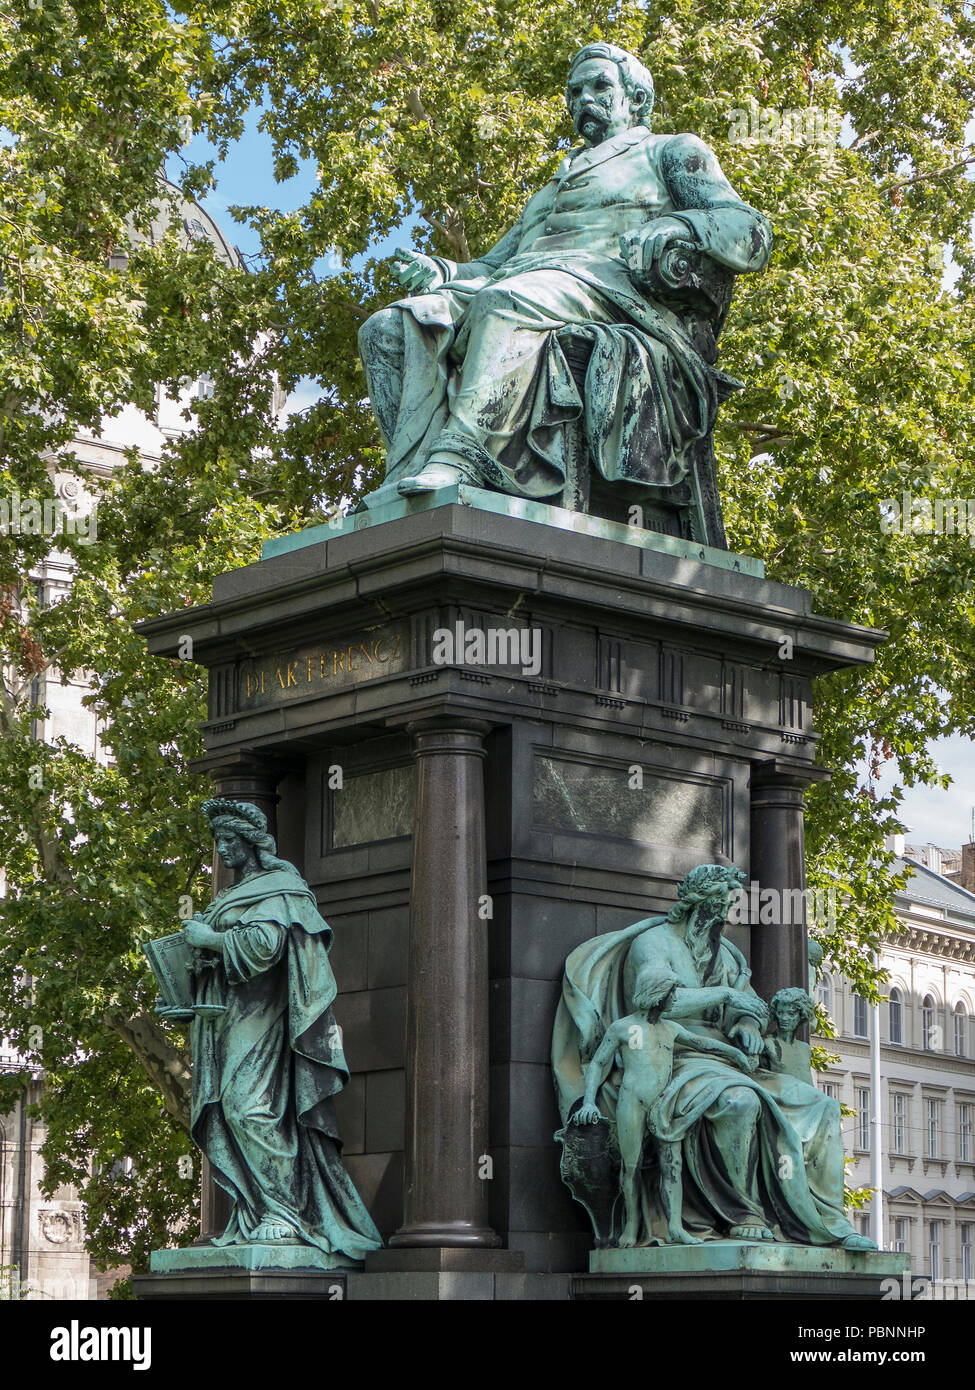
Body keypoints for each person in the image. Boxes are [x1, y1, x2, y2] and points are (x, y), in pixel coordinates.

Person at [358, 43, 771, 523]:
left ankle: (461, 458)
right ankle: (407, 480)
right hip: (530, 282)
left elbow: (750, 230)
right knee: (390, 326)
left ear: (636, 99)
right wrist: (444, 274)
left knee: (505, 300)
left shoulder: (670, 150)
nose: (584, 100)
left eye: (600, 87)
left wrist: (681, 227)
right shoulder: (552, 187)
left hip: (617, 291)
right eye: (575, 92)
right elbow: (494, 263)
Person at [553, 863, 876, 1249]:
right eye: (722, 902)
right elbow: (655, 999)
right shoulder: (654, 943)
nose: (727, 912)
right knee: (739, 1101)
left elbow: (748, 1006)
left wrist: (748, 1027)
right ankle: (743, 1213)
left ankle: (827, 1222)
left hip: (728, 1058)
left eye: (731, 903)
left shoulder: (726, 955)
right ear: (698, 901)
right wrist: (724, 997)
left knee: (821, 1106)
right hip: (675, 1053)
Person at [178, 797, 381, 1260]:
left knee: (247, 1108)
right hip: (227, 1017)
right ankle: (260, 1210)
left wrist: (210, 939)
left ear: (251, 843)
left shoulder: (280, 886)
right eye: (218, 842)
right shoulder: (231, 895)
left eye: (230, 840)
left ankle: (286, 1212)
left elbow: (268, 945)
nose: (223, 850)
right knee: (230, 1110)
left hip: (266, 1017)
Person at [573, 968, 758, 1247]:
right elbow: (599, 1063)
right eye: (671, 993)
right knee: (631, 1166)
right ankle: (632, 1225)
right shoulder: (623, 1027)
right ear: (657, 995)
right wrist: (589, 1101)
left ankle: (674, 1227)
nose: (674, 999)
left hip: (663, 1104)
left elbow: (702, 1044)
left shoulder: (670, 1028)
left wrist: (735, 1054)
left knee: (672, 1164)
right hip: (632, 1103)